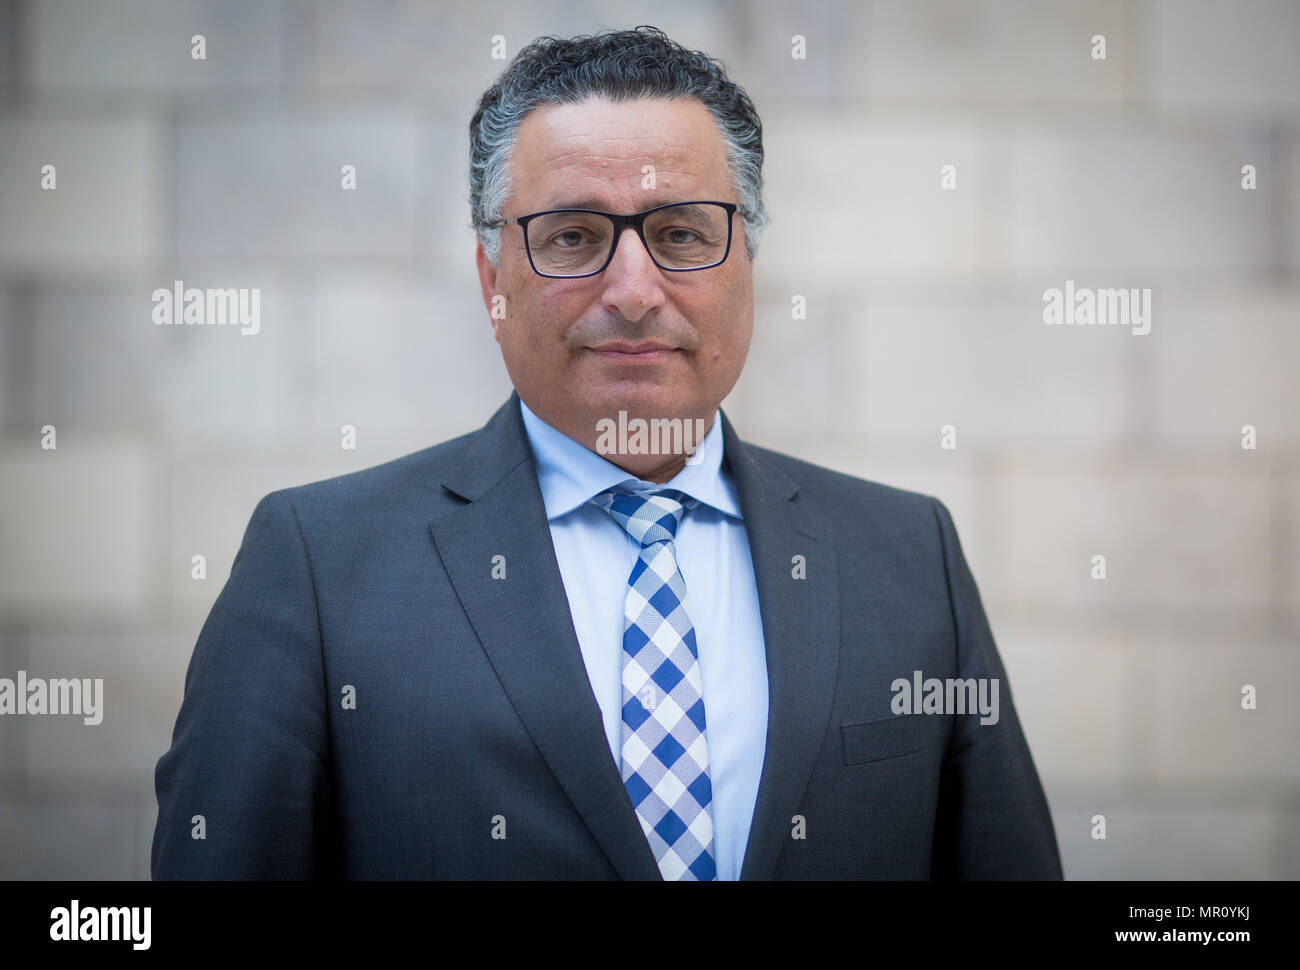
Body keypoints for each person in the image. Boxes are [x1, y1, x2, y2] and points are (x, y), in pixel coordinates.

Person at [152, 26, 1062, 881]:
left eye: (680, 235)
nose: (632, 292)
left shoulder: (909, 556)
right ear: (490, 281)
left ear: (747, 264)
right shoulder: (317, 565)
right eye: (574, 237)